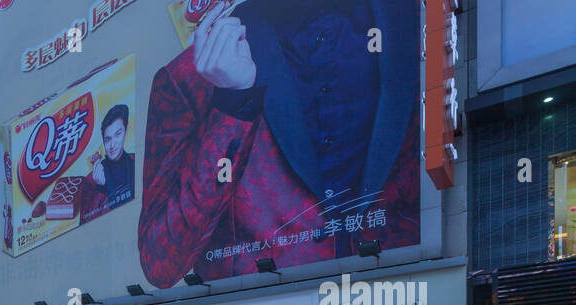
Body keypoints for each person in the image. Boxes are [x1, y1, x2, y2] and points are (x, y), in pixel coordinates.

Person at [137, 0, 420, 289]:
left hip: (406, 302)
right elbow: (160, 260)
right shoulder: (191, 75)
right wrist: (232, 106)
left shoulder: (420, 18)